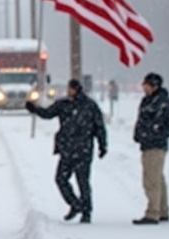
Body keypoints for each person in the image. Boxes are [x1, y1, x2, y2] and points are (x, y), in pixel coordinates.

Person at [25, 78, 107, 223]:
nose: (69, 91)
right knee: (61, 179)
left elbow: (99, 126)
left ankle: (86, 212)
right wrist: (35, 109)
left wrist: (102, 145)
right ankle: (75, 204)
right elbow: (48, 113)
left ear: (77, 89)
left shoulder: (89, 106)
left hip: (83, 149)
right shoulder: (63, 104)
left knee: (83, 182)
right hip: (67, 149)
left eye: (71, 89)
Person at [132, 72, 169, 225]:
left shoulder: (166, 104)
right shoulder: (147, 101)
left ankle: (152, 213)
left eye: (146, 84)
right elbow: (141, 121)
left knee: (151, 180)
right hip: (146, 145)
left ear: (154, 86)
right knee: (158, 178)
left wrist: (157, 133)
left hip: (156, 146)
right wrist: (138, 134)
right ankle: (162, 210)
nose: (143, 87)